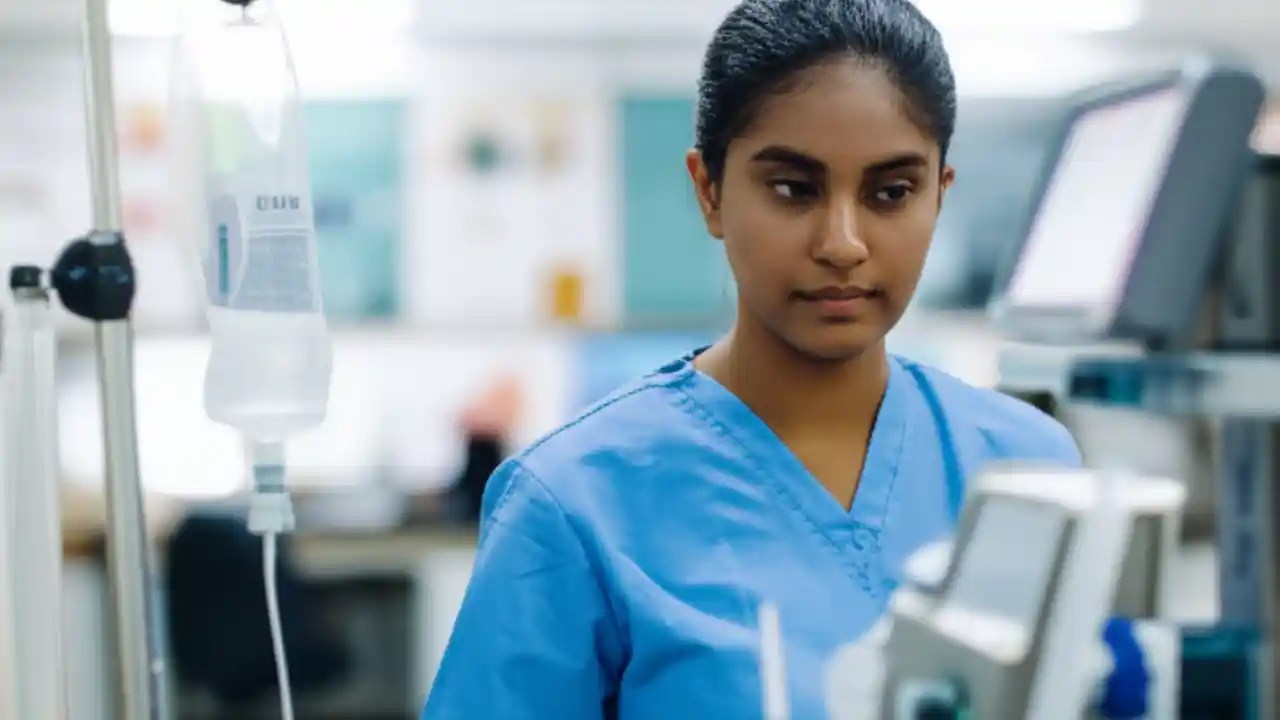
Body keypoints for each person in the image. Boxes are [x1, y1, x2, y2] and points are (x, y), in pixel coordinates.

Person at [422, 1, 1081, 718]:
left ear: (938, 195)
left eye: (892, 193)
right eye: (793, 189)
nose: (843, 242)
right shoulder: (574, 502)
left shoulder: (1028, 473)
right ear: (709, 190)